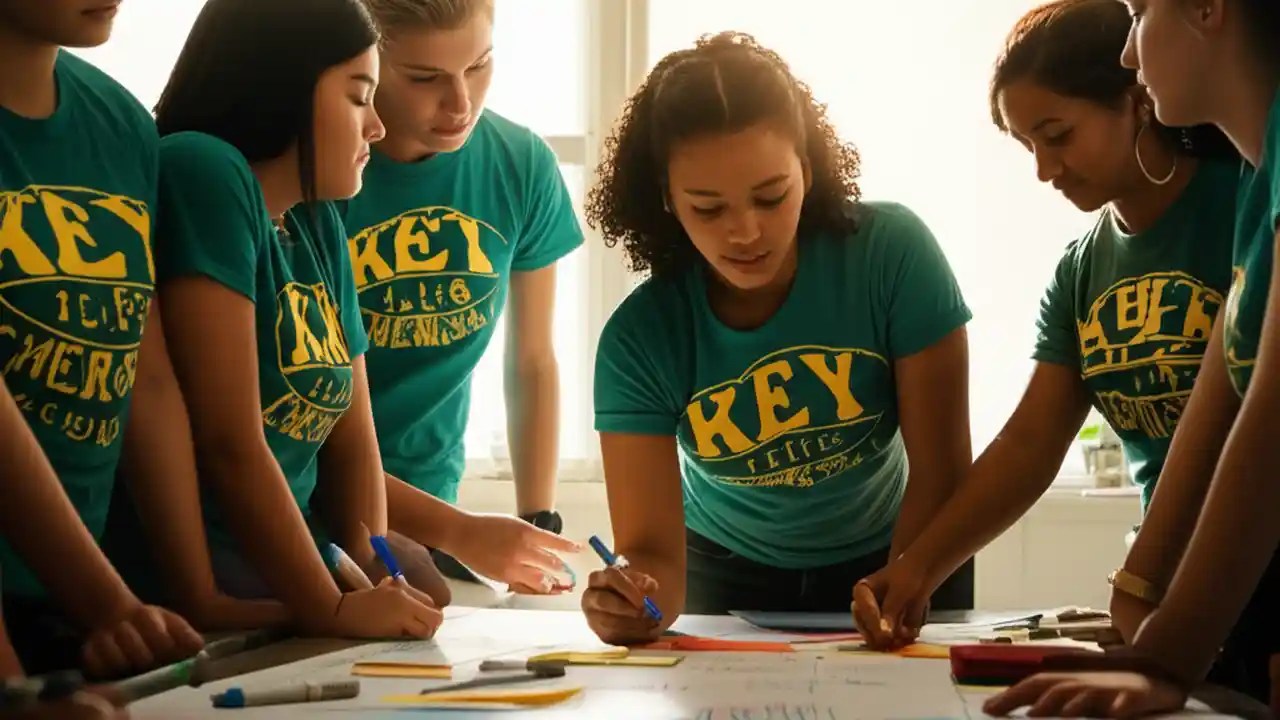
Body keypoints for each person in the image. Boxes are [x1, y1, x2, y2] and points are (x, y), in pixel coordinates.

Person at [853, 0, 1255, 673]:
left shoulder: (1246, 200)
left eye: (1058, 134)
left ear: (1137, 101)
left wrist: (1140, 582)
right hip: (1169, 584)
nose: (1044, 169)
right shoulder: (1080, 270)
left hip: (1244, 570)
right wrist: (918, 567)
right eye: (1027, 146)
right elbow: (1029, 445)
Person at [579, 31, 975, 644]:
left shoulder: (892, 255)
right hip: (726, 574)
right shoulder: (640, 338)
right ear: (667, 202)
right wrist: (632, 602)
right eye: (709, 209)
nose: (745, 231)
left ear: (807, 172)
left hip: (909, 546)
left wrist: (907, 575)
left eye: (771, 197)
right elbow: (653, 558)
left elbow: (943, 473)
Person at [985, 0, 1280, 716]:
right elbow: (1226, 394)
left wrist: (1165, 654)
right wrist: (1150, 614)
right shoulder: (1260, 172)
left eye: (1140, 10)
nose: (1127, 51)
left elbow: (1271, 426)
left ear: (1207, 8)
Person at [148, 0, 444, 639]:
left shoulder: (317, 220)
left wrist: (375, 567)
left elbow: (353, 437)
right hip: (212, 597)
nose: (377, 128)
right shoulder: (203, 170)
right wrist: (331, 608)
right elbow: (230, 442)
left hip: (294, 582)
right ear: (281, 83)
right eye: (358, 97)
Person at [0, 0, 213, 677]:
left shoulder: (120, 122)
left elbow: (147, 378)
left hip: (75, 595)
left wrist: (191, 596)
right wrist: (107, 605)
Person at [341, 0, 584, 591]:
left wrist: (535, 523)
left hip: (434, 513)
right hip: (316, 501)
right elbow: (298, 424)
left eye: (478, 66)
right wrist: (460, 532)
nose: (460, 104)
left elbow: (532, 361)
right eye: (424, 78)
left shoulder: (520, 165)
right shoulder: (324, 172)